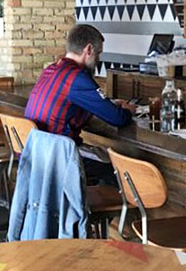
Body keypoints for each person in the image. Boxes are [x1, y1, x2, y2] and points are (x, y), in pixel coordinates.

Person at [25, 24, 136, 182]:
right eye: (98, 53)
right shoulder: (77, 77)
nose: (98, 59)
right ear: (89, 50)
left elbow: (71, 103)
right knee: (123, 173)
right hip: (57, 159)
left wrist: (109, 104)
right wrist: (128, 110)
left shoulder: (51, 69)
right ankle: (88, 205)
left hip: (36, 156)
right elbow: (118, 119)